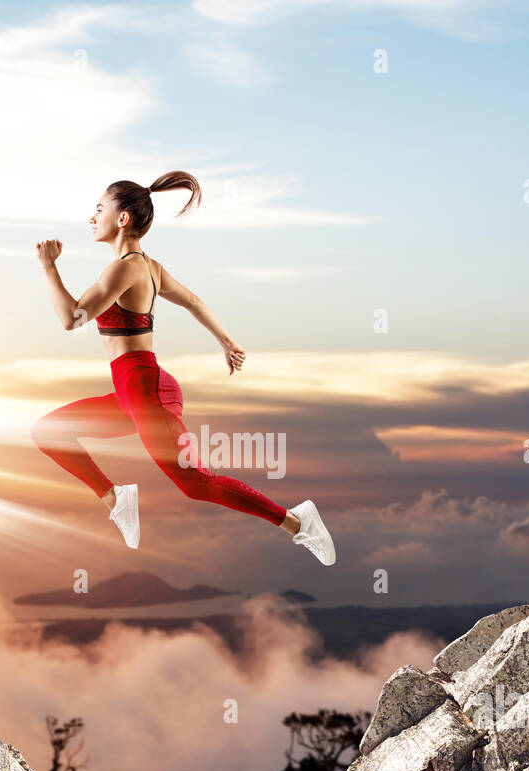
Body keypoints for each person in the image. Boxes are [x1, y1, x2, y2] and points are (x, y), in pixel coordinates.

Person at [31, 170, 335, 565]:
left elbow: (72, 319)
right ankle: (116, 498)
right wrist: (226, 342)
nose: (92, 217)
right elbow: (193, 300)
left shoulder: (125, 268)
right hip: (132, 394)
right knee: (49, 431)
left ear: (122, 219)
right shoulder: (149, 267)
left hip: (147, 391)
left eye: (99, 209)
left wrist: (49, 267)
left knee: (196, 484)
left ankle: (298, 522)